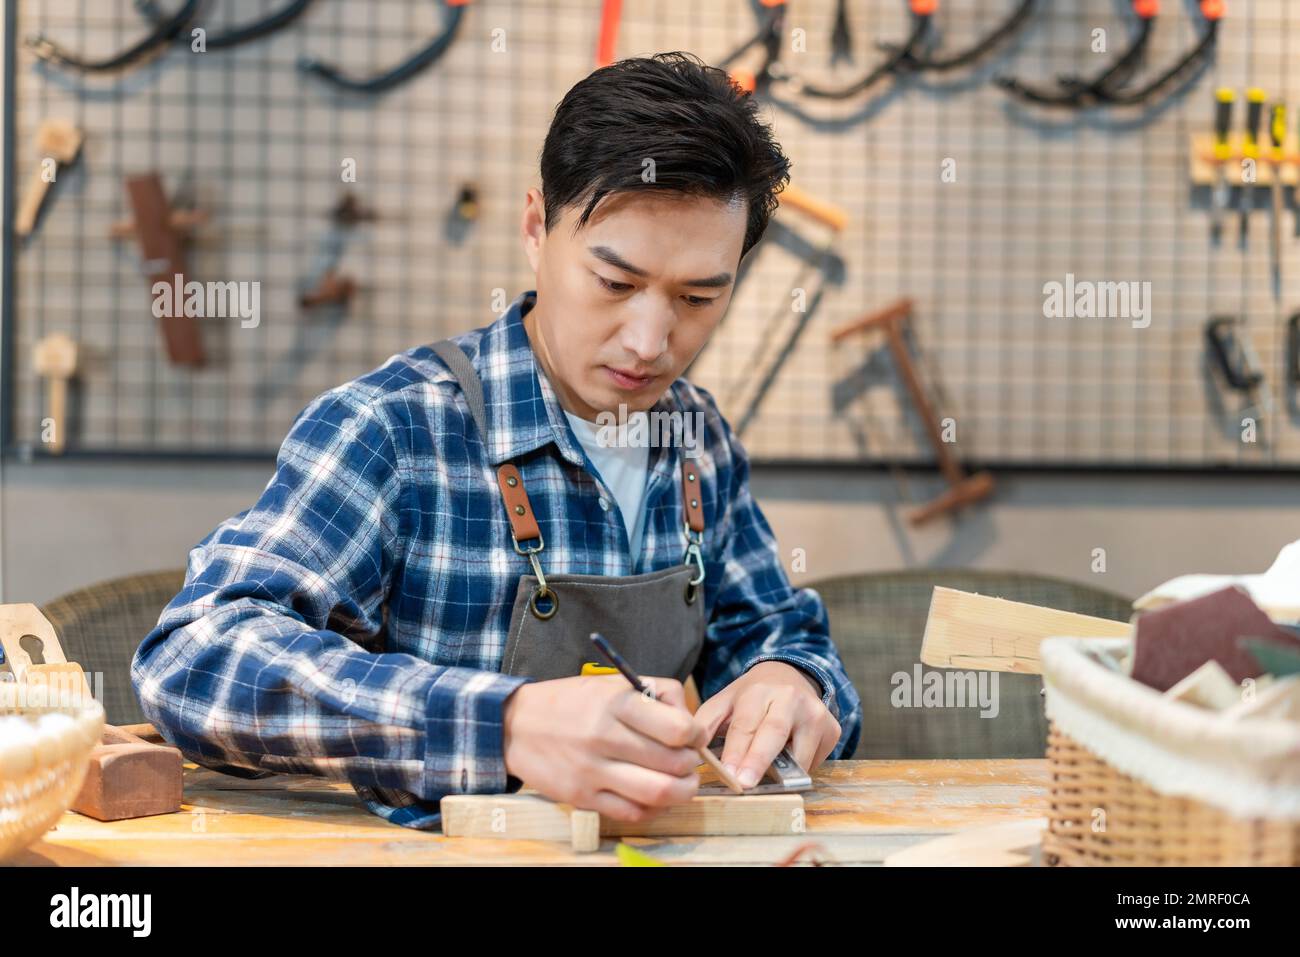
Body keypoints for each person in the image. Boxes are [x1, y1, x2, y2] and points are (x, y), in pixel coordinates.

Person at [132, 51, 862, 830]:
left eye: (697, 296)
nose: (651, 341)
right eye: (615, 283)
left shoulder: (699, 440)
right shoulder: (399, 428)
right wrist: (504, 724)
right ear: (534, 229)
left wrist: (793, 681)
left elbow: (778, 631)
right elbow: (194, 656)